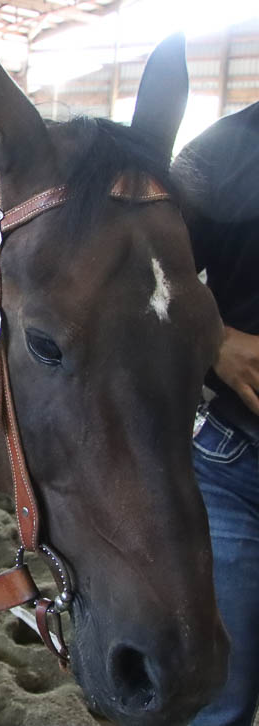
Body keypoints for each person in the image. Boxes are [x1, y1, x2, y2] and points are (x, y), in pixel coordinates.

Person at [174, 101, 259, 726]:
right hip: (236, 465)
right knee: (218, 704)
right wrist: (217, 338)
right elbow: (139, 270)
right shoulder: (231, 147)